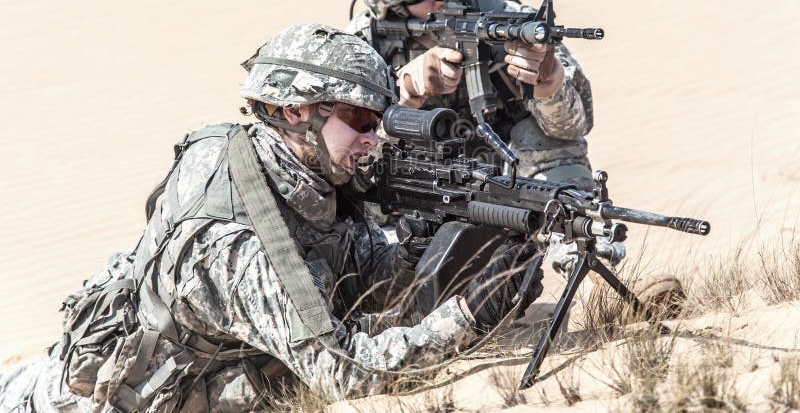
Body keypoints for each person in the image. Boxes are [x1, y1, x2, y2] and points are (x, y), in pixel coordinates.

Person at [0, 23, 542, 412]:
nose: (373, 136)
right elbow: (348, 374)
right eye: (360, 117)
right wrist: (465, 319)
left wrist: (465, 245)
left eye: (379, 120)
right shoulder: (234, 239)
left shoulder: (306, 177)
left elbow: (370, 282)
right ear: (294, 113)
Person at [345, 0, 594, 189]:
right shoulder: (363, 49)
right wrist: (406, 96)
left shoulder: (504, 14)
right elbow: (347, 160)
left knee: (560, 162)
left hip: (501, 171)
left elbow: (574, 128)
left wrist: (548, 81)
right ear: (393, 7)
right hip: (420, 186)